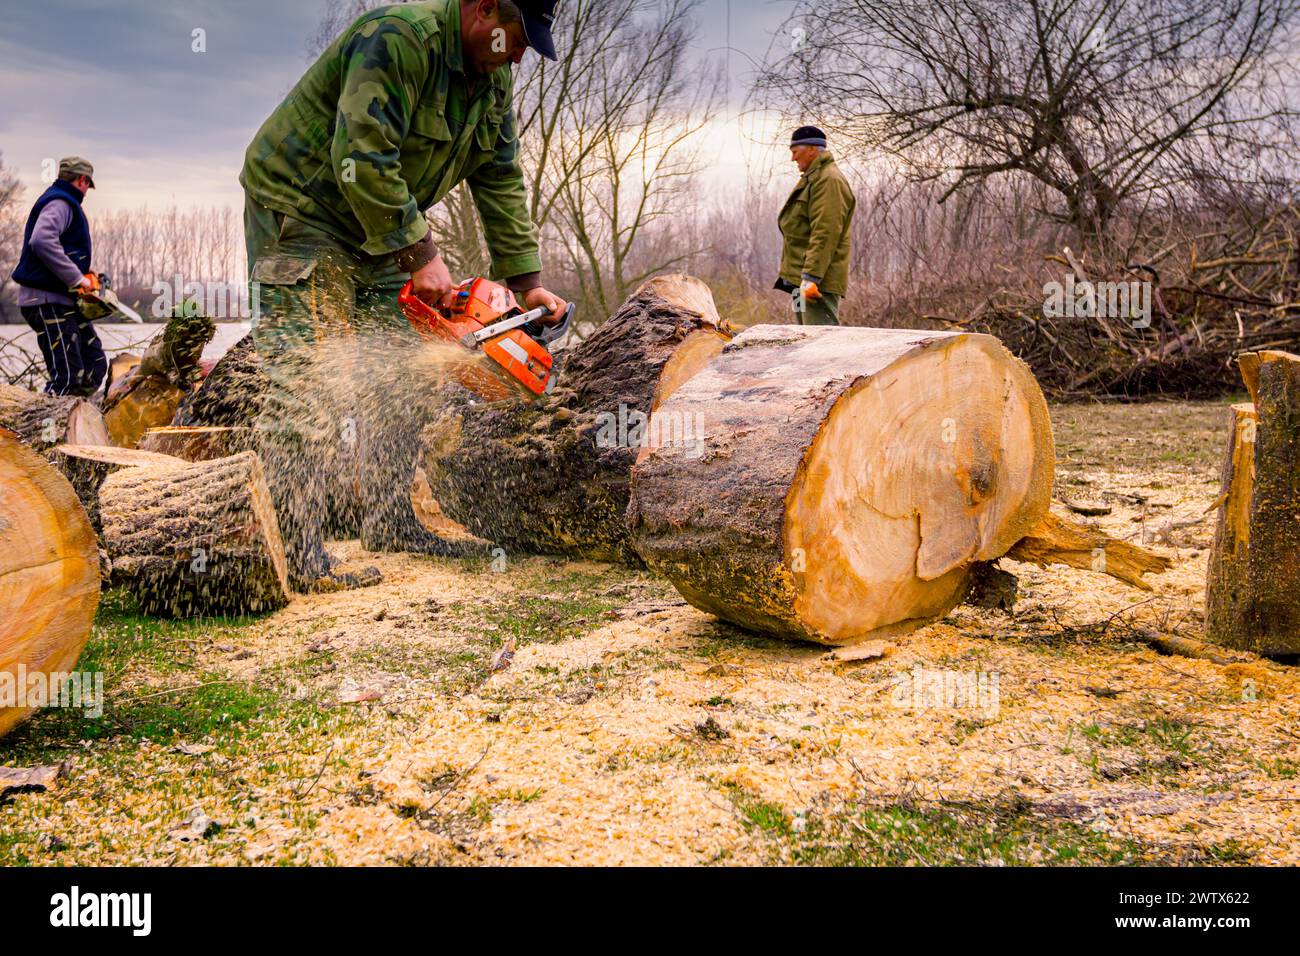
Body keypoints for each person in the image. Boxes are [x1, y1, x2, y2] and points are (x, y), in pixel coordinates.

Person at [240, 0, 567, 590]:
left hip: (381, 230)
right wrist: (421, 254)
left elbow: (499, 174)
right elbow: (361, 154)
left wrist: (527, 281)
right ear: (484, 7)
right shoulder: (398, 38)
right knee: (308, 376)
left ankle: (390, 520)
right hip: (303, 211)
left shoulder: (491, 82)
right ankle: (294, 552)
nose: (521, 53)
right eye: (518, 36)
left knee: (409, 369)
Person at [10, 156, 109, 396]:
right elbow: (41, 240)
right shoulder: (60, 203)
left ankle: (82, 421)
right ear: (83, 180)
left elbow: (63, 250)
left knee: (94, 363)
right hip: (45, 301)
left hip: (63, 300)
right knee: (67, 377)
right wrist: (77, 279)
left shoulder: (65, 203)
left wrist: (87, 278)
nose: (87, 192)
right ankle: (47, 430)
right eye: (87, 185)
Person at [775, 126, 856, 326]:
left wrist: (811, 278)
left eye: (795, 152)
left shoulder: (829, 181)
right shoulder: (814, 179)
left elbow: (825, 233)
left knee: (819, 345)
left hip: (816, 283)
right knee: (802, 339)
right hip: (799, 282)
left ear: (812, 149)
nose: (793, 159)